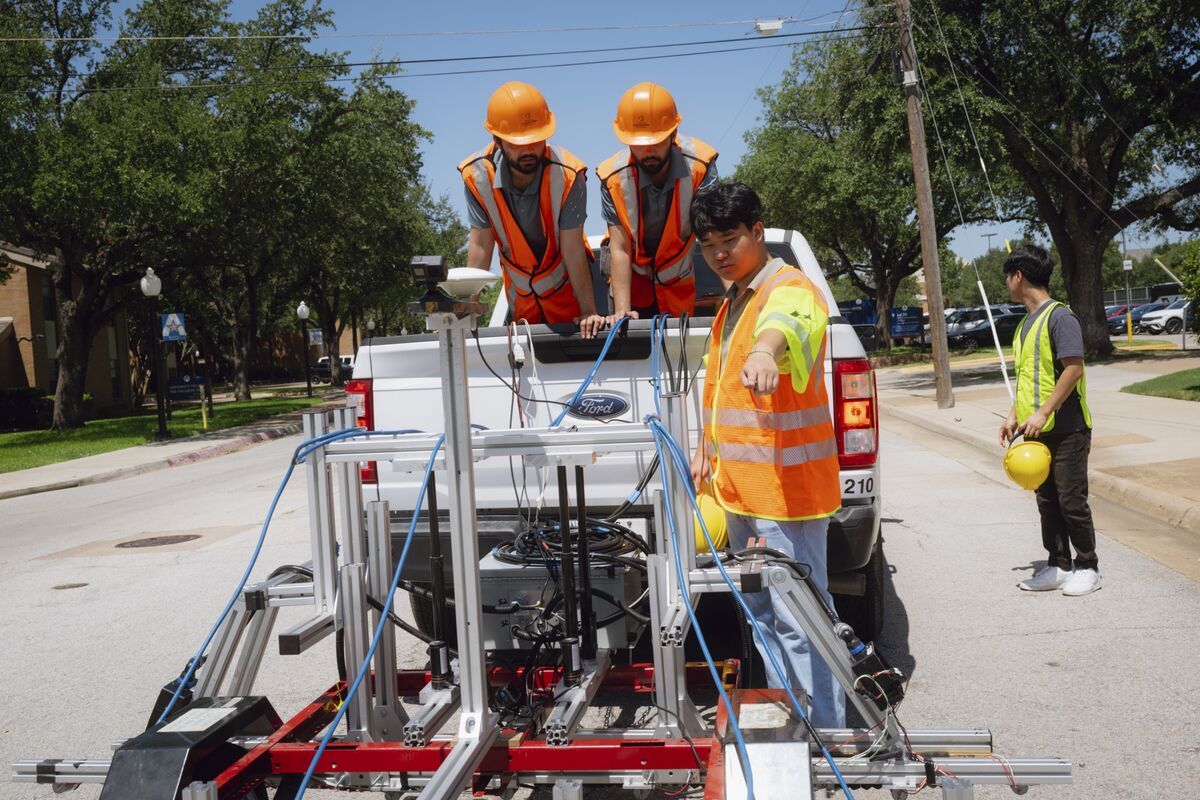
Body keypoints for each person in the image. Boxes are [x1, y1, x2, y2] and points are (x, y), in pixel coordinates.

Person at [688, 182, 844, 728]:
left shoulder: (787, 286)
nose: (719, 255)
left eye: (729, 240)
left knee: (801, 618)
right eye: (708, 245)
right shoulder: (733, 300)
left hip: (786, 494)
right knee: (764, 619)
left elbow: (787, 324)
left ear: (758, 232)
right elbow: (722, 392)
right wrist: (706, 449)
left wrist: (764, 351)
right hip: (741, 493)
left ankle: (827, 733)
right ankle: (795, 726)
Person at [459, 82, 605, 337]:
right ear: (497, 140)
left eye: (536, 140)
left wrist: (589, 312)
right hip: (522, 308)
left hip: (568, 308)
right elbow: (482, 246)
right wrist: (464, 316)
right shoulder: (477, 176)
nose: (528, 149)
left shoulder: (569, 174)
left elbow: (572, 250)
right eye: (517, 143)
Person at [998, 243, 1101, 596]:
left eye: (1008, 277)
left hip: (1069, 427)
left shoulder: (1060, 317)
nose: (1007, 283)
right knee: (1047, 501)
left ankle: (1088, 566)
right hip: (1035, 430)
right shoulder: (1025, 325)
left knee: (1071, 499)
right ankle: (1058, 564)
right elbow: (1027, 377)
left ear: (1019, 276)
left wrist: (1044, 412)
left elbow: (1073, 369)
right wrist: (1013, 416)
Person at [596, 82, 718, 321]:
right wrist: (622, 310)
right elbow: (620, 248)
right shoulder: (612, 177)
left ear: (673, 135)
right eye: (639, 144)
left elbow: (714, 235)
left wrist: (734, 299)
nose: (648, 151)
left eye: (656, 141)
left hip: (677, 288)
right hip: (633, 291)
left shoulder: (701, 166)